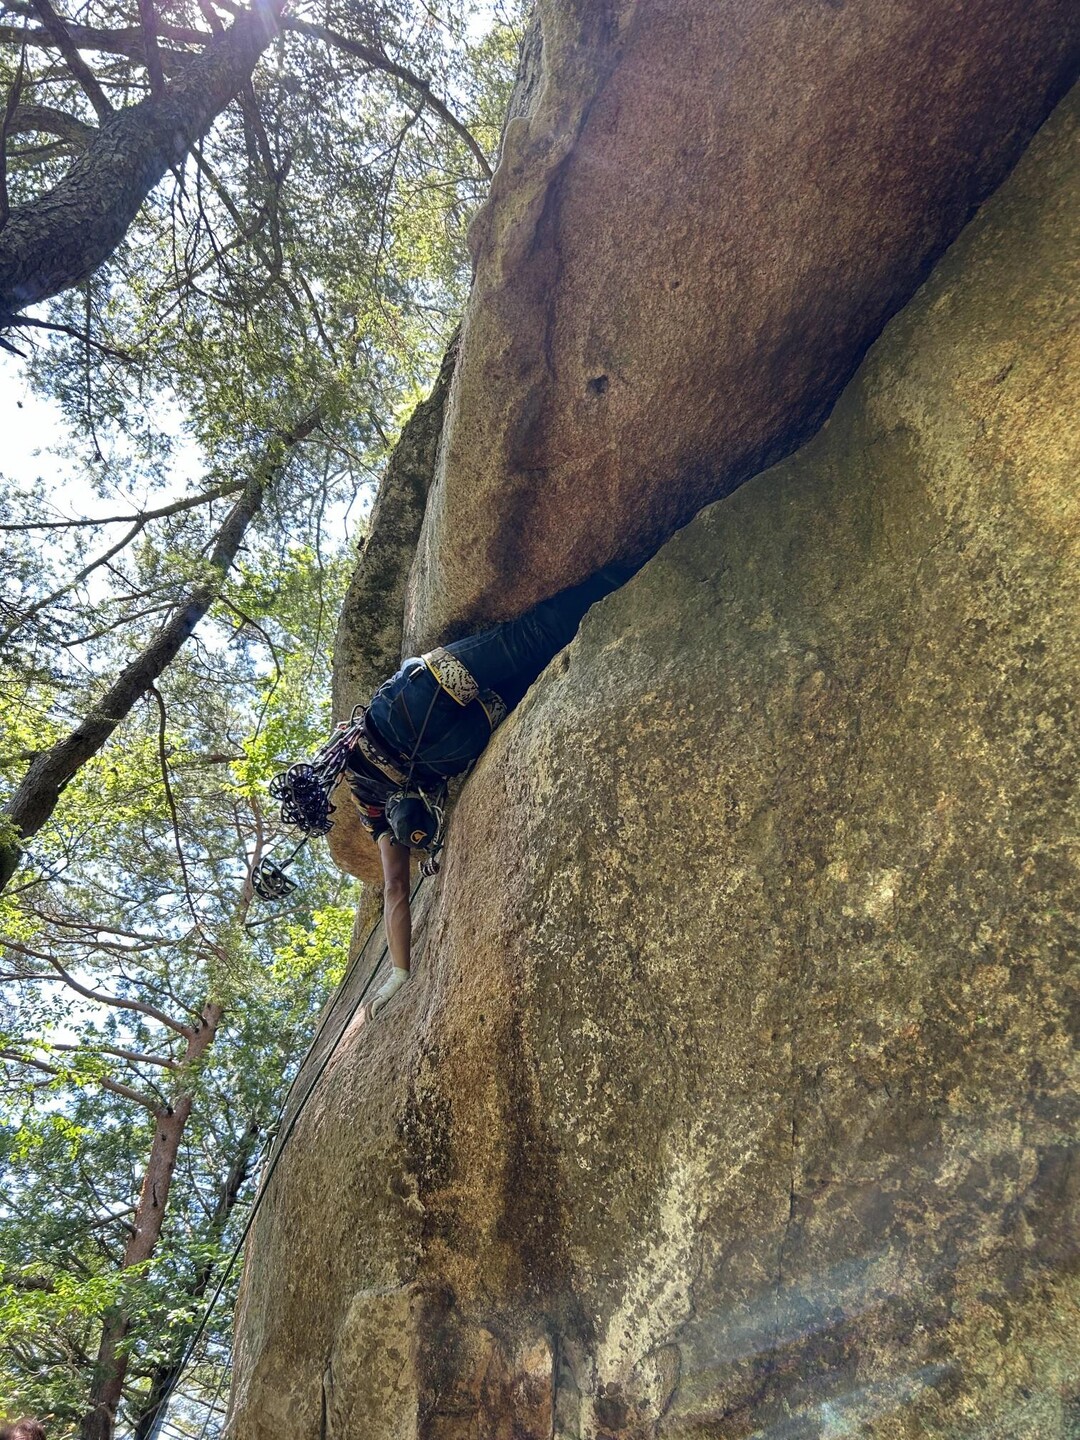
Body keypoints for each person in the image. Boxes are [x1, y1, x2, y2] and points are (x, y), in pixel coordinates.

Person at [269, 565, 634, 1016]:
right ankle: (634, 575)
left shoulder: (372, 808)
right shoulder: (349, 743)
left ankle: (624, 600)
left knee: (532, 667)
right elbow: (353, 731)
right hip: (414, 705)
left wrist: (400, 972)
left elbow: (396, 889)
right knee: (529, 636)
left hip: (450, 750)